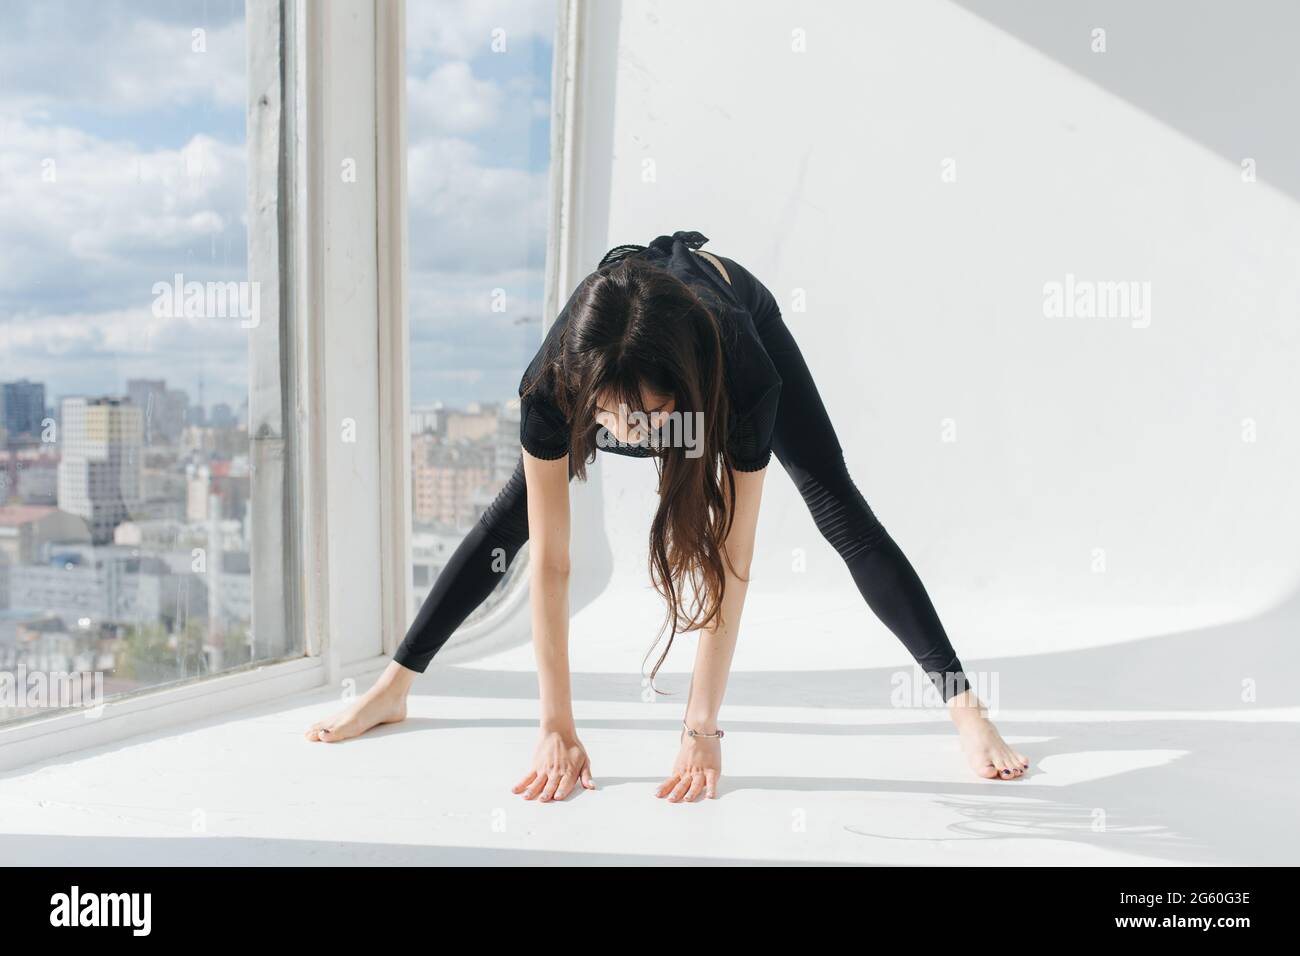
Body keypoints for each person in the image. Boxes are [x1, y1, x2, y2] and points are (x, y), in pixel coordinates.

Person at [307, 229, 1029, 801]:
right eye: (612, 419)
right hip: (625, 365)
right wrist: (556, 723)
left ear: (680, 395)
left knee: (838, 506)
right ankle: (392, 688)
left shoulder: (743, 381)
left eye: (649, 419)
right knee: (510, 519)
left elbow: (732, 562)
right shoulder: (553, 386)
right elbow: (552, 564)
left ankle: (965, 705)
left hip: (734, 326)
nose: (632, 437)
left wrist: (701, 727)